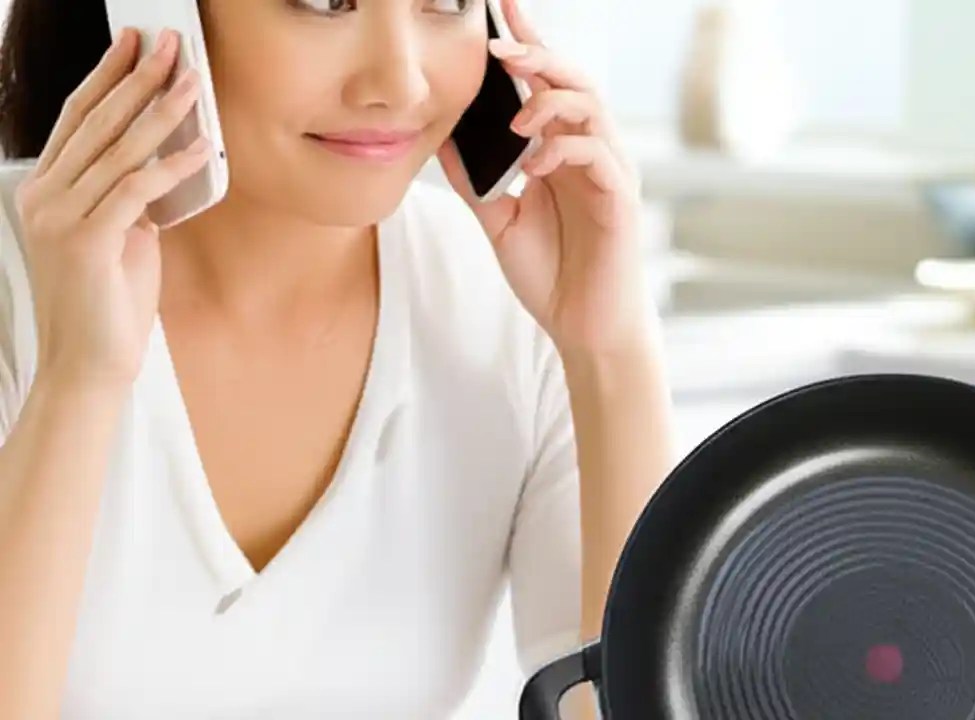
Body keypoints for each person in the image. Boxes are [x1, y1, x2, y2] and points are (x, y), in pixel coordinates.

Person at [0, 0, 675, 717]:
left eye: (447, 2)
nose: (402, 83)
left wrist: (610, 356)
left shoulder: (506, 297)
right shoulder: (22, 287)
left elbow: (620, 704)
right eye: (326, 2)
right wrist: (78, 381)